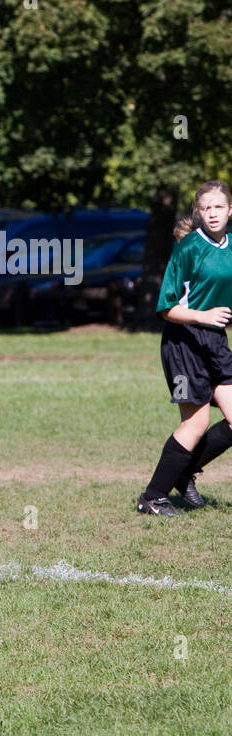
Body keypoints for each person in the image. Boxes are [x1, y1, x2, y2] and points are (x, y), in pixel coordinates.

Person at [138, 180, 232, 515]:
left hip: (216, 343)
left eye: (219, 207)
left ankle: (183, 471)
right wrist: (203, 315)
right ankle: (152, 496)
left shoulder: (231, 247)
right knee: (196, 423)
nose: (213, 213)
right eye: (206, 208)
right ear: (199, 212)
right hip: (184, 341)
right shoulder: (188, 249)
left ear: (230, 210)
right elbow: (166, 306)